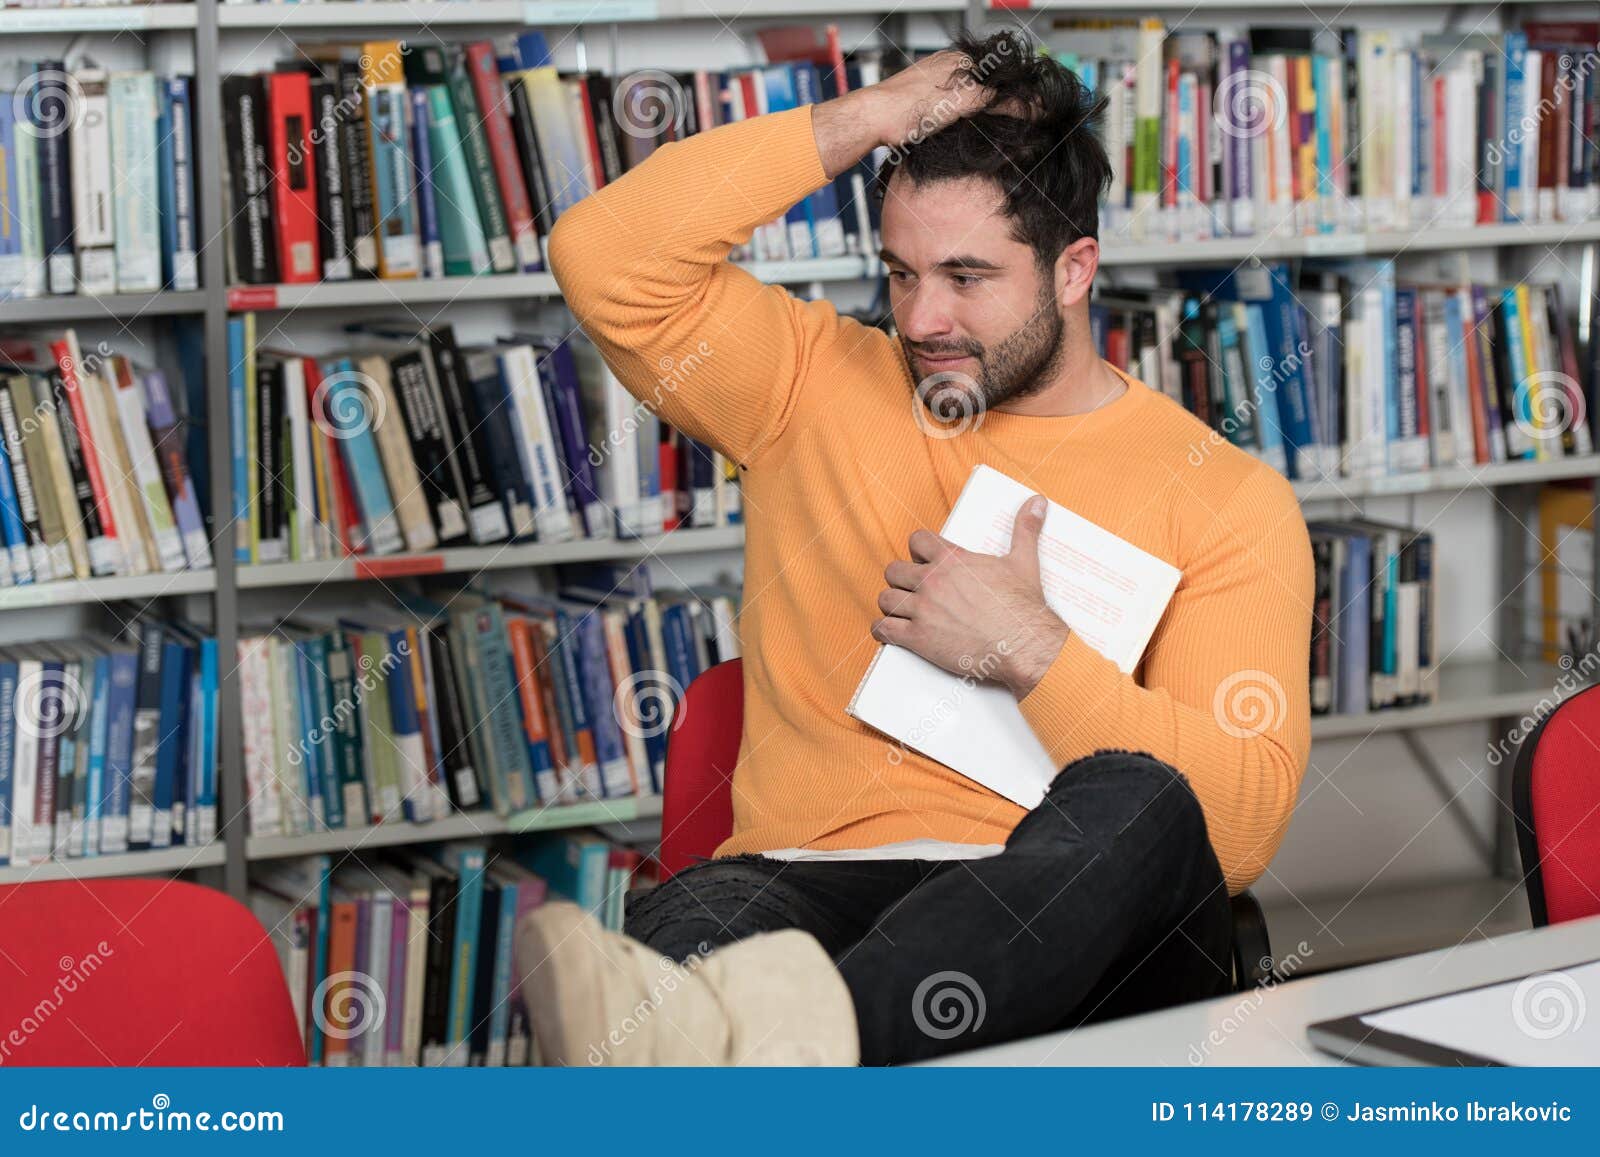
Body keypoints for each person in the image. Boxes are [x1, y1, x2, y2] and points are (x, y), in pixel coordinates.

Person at [515, 30, 1312, 1066]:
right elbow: (604, 257)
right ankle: (789, 1049)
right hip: (795, 888)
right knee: (698, 957)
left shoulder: (1227, 498)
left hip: (1064, 916)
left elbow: (1234, 833)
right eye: (900, 272)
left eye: (967, 276)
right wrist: (868, 117)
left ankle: (790, 1058)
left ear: (1074, 269)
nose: (922, 318)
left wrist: (1028, 647)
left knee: (1145, 797)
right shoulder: (806, 381)